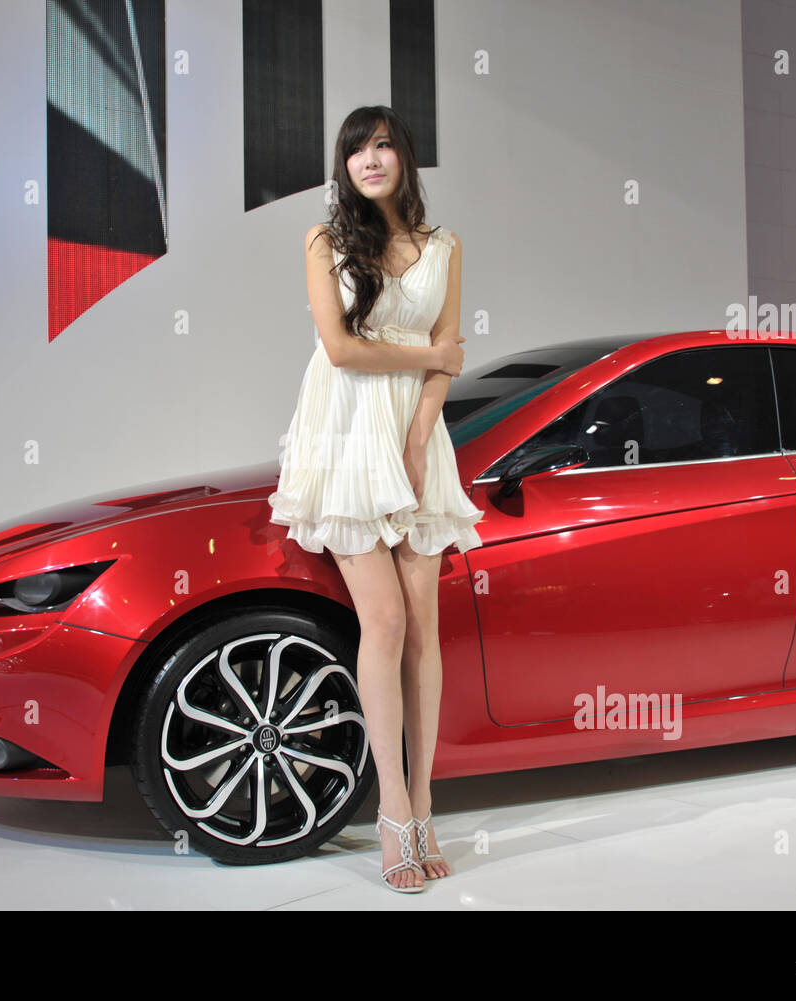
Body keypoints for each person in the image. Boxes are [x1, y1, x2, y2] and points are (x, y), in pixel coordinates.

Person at [267, 105, 484, 892]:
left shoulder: (445, 246)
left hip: (413, 433)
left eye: (383, 144)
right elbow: (341, 346)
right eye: (357, 148)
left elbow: (448, 361)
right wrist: (431, 352)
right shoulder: (325, 242)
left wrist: (422, 439)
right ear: (343, 164)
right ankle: (390, 808)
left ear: (405, 157)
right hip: (348, 430)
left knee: (424, 628)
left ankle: (425, 804)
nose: (370, 158)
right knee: (384, 620)